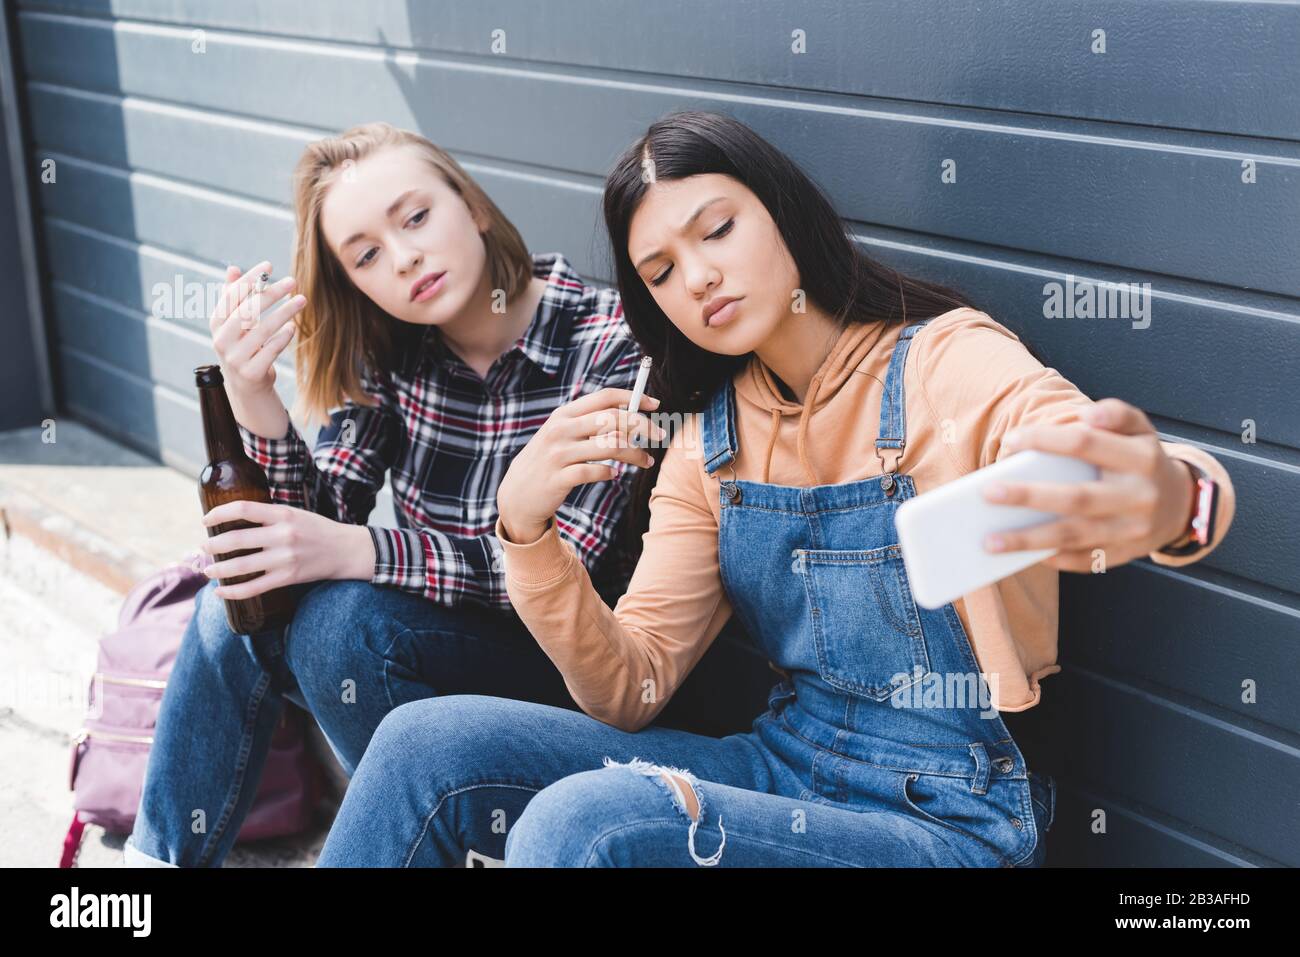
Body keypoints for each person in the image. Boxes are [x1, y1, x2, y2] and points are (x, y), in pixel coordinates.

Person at [315, 111, 1237, 868]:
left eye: (716, 229)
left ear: (784, 211)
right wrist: (524, 527)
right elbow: (630, 687)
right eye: (662, 272)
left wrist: (1166, 494)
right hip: (783, 769)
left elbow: (1101, 463)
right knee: (420, 746)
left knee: (579, 826)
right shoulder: (705, 441)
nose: (701, 276)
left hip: (952, 815)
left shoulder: (945, 362)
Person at [124, 120, 774, 868]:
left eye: (417, 217)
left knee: (344, 622)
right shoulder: (392, 358)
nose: (404, 258)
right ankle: (147, 873)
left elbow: (579, 560)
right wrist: (252, 392)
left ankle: (446, 835)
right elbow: (315, 527)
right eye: (366, 254)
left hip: (582, 680)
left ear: (475, 206)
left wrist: (365, 548)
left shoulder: (611, 340)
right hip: (442, 664)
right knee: (232, 597)